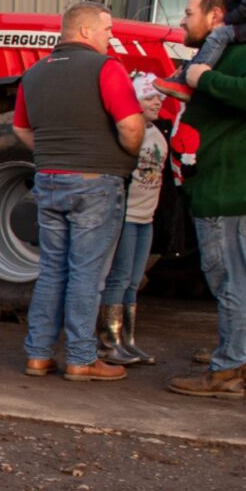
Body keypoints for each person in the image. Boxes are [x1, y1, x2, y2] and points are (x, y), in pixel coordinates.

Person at [14, 3, 147, 380]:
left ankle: (38, 354)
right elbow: (131, 126)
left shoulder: (34, 73)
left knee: (51, 271)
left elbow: (21, 129)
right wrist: (125, 155)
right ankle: (81, 358)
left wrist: (53, 155)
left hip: (49, 180)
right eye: (107, 29)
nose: (111, 36)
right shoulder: (106, 68)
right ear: (85, 31)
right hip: (94, 182)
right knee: (86, 274)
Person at [169, 0, 246, 397]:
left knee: (234, 283)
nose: (182, 21)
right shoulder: (241, 55)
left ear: (216, 16)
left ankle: (227, 370)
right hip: (241, 192)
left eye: (188, 12)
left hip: (234, 194)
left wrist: (204, 78)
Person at [99, 77, 170, 364]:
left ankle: (127, 339)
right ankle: (109, 341)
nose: (157, 102)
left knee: (134, 280)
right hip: (127, 216)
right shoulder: (128, 131)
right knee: (120, 276)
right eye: (149, 97)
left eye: (159, 97)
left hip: (146, 216)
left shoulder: (157, 134)